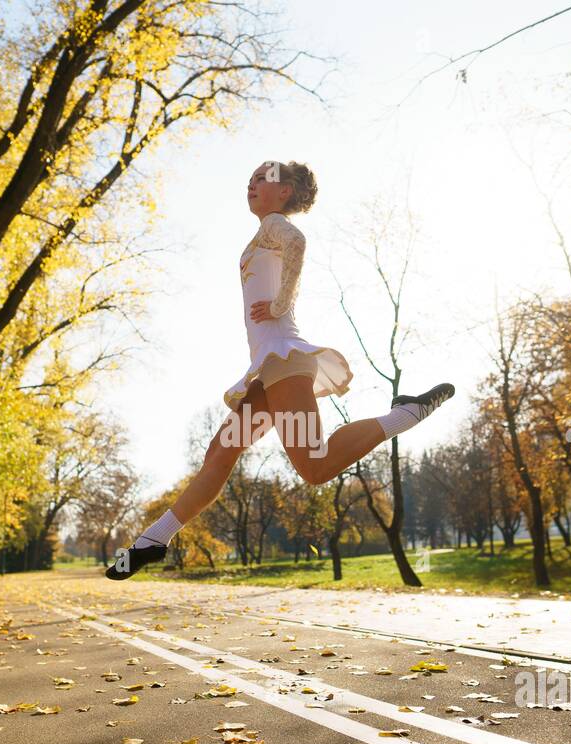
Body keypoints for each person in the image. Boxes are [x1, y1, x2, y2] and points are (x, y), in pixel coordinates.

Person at [107, 160, 454, 580]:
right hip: (269, 369)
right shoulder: (262, 233)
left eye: (261, 178)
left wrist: (279, 305)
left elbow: (298, 243)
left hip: (285, 363)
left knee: (315, 466)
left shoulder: (275, 225)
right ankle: (153, 541)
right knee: (220, 452)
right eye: (249, 179)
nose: (250, 183)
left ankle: (407, 412)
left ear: (285, 190)